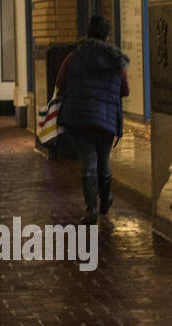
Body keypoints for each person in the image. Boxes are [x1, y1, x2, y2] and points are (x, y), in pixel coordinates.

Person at [55, 14, 129, 224]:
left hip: (80, 116)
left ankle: (91, 210)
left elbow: (60, 82)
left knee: (89, 161)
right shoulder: (116, 60)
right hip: (106, 118)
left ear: (88, 34)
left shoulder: (74, 56)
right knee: (104, 159)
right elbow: (125, 89)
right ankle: (105, 200)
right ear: (106, 35)